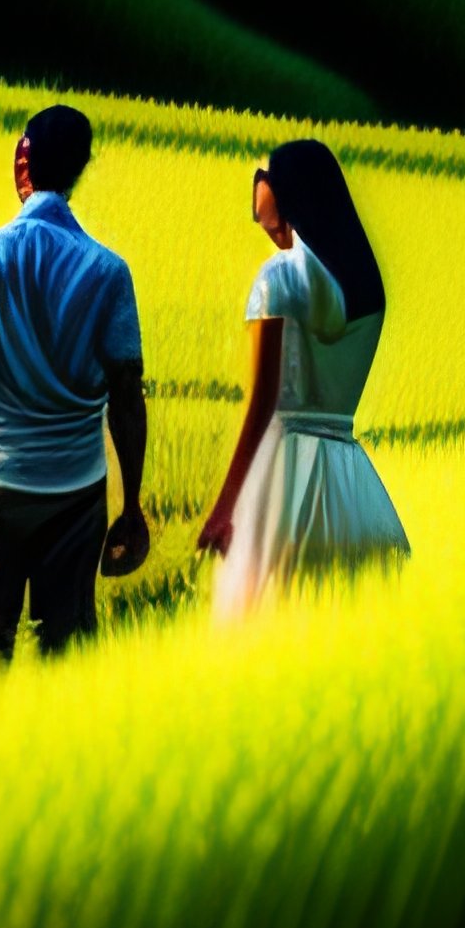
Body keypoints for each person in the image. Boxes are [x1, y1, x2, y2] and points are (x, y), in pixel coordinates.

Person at [0, 103, 149, 658]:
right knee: (69, 654)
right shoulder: (109, 272)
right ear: (81, 168)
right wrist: (131, 506)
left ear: (21, 159)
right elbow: (126, 392)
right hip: (78, 491)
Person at [197, 135, 409, 617]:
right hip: (351, 483)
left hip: (284, 474)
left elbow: (263, 401)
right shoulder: (369, 287)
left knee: (262, 623)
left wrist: (226, 505)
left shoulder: (278, 278)